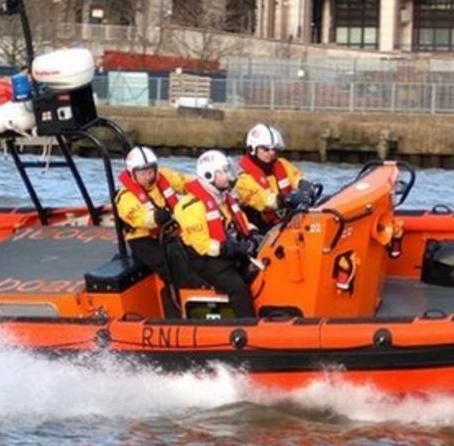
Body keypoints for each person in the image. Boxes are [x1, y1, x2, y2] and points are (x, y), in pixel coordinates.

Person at [115, 146, 200, 319]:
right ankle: (177, 311)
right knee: (172, 267)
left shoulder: (165, 177)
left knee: (196, 253)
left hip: (170, 232)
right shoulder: (125, 197)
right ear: (132, 174)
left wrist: (206, 185)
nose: (148, 176)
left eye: (150, 171)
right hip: (144, 240)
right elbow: (141, 219)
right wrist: (156, 217)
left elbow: (186, 182)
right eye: (143, 173)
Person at [173, 150, 257, 318]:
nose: (228, 176)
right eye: (223, 172)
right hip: (206, 260)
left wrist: (253, 235)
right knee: (237, 288)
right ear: (209, 176)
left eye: (227, 170)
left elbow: (240, 221)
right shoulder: (191, 207)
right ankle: (247, 324)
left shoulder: (223, 198)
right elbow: (203, 245)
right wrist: (233, 249)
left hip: (228, 249)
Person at [235, 123, 314, 232]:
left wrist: (306, 188)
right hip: (263, 228)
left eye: (274, 149)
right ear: (253, 149)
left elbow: (296, 178)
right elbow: (264, 200)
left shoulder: (282, 164)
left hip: (285, 221)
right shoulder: (244, 180)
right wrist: (286, 199)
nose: (271, 153)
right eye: (266, 149)